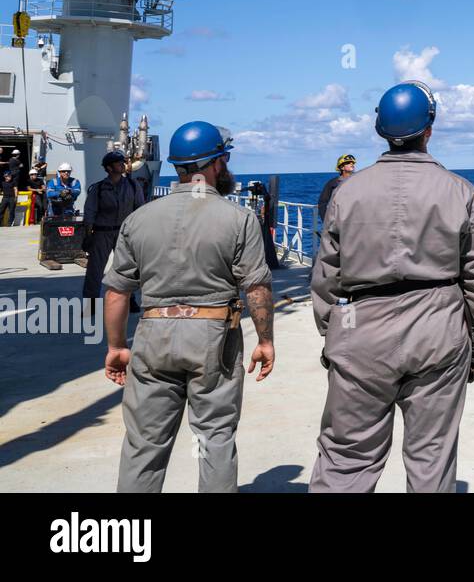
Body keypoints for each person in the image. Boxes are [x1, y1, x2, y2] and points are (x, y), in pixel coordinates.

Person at [311, 81, 474, 493]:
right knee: (431, 459)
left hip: (360, 329)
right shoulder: (461, 192)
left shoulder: (347, 192)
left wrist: (333, 332)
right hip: (438, 328)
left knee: (346, 459)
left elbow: (326, 274)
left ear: (380, 128)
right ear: (429, 129)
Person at [102, 121, 275, 493]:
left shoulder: (139, 219)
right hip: (213, 337)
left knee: (143, 445)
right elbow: (256, 287)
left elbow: (116, 291)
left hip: (153, 335)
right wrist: (265, 339)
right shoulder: (238, 218)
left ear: (176, 167)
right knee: (214, 439)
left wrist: (116, 347)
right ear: (218, 162)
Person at [83, 151, 145, 313]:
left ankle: (130, 300)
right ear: (109, 168)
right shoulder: (98, 188)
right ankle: (91, 306)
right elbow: (90, 212)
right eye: (118, 163)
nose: (122, 165)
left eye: (122, 162)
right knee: (95, 271)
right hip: (101, 233)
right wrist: (88, 235)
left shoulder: (133, 185)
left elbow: (140, 210)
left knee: (128, 269)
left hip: (124, 234)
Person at [315, 153, 356, 228]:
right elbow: (322, 203)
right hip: (337, 222)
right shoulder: (333, 183)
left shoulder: (358, 181)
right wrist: (326, 221)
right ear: (342, 167)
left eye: (353, 163)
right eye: (348, 163)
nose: (351, 164)